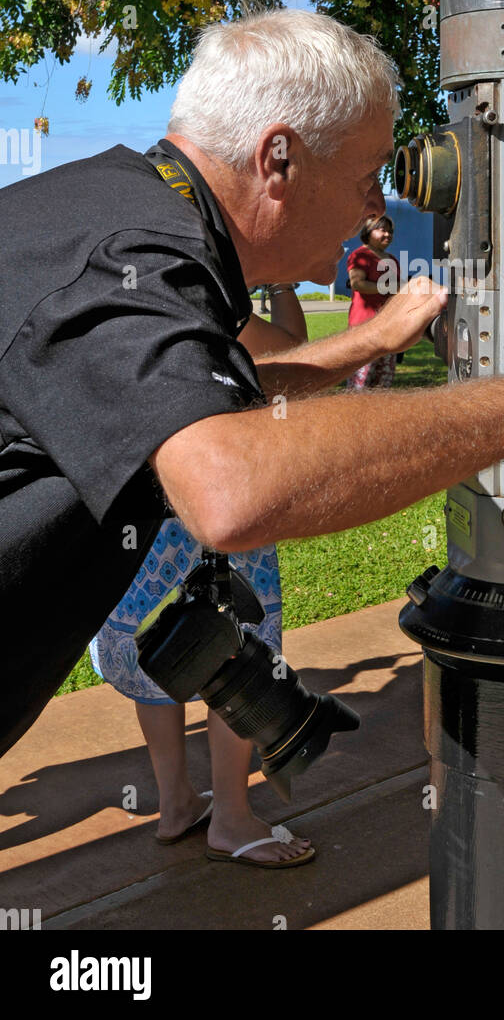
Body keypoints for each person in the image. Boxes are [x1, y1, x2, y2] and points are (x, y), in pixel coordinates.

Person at [0, 7, 504, 757]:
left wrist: (364, 342)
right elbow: (227, 489)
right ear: (279, 159)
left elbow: (181, 403)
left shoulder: (114, 210)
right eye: (365, 178)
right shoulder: (124, 254)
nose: (374, 210)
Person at [89, 302, 313, 867]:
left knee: (158, 645)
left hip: (136, 499)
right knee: (231, 654)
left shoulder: (116, 291)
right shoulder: (203, 295)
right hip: (213, 491)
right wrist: (278, 286)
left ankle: (177, 804)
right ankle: (233, 819)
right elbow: (289, 352)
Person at [345, 214, 400, 390]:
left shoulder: (392, 259)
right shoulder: (359, 255)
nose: (388, 235)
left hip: (388, 327)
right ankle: (352, 415)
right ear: (368, 231)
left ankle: (376, 415)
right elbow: (357, 284)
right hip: (364, 327)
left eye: (390, 231)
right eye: (382, 230)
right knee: (360, 382)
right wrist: (388, 287)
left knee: (383, 382)